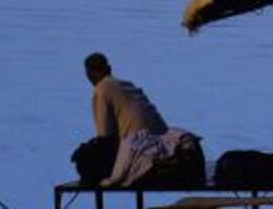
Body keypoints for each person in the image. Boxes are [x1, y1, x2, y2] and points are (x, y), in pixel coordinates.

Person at [76, 53, 202, 189]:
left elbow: (104, 135)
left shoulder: (101, 89)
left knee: (87, 158)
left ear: (88, 74)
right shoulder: (127, 84)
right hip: (163, 139)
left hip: (139, 144)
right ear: (109, 68)